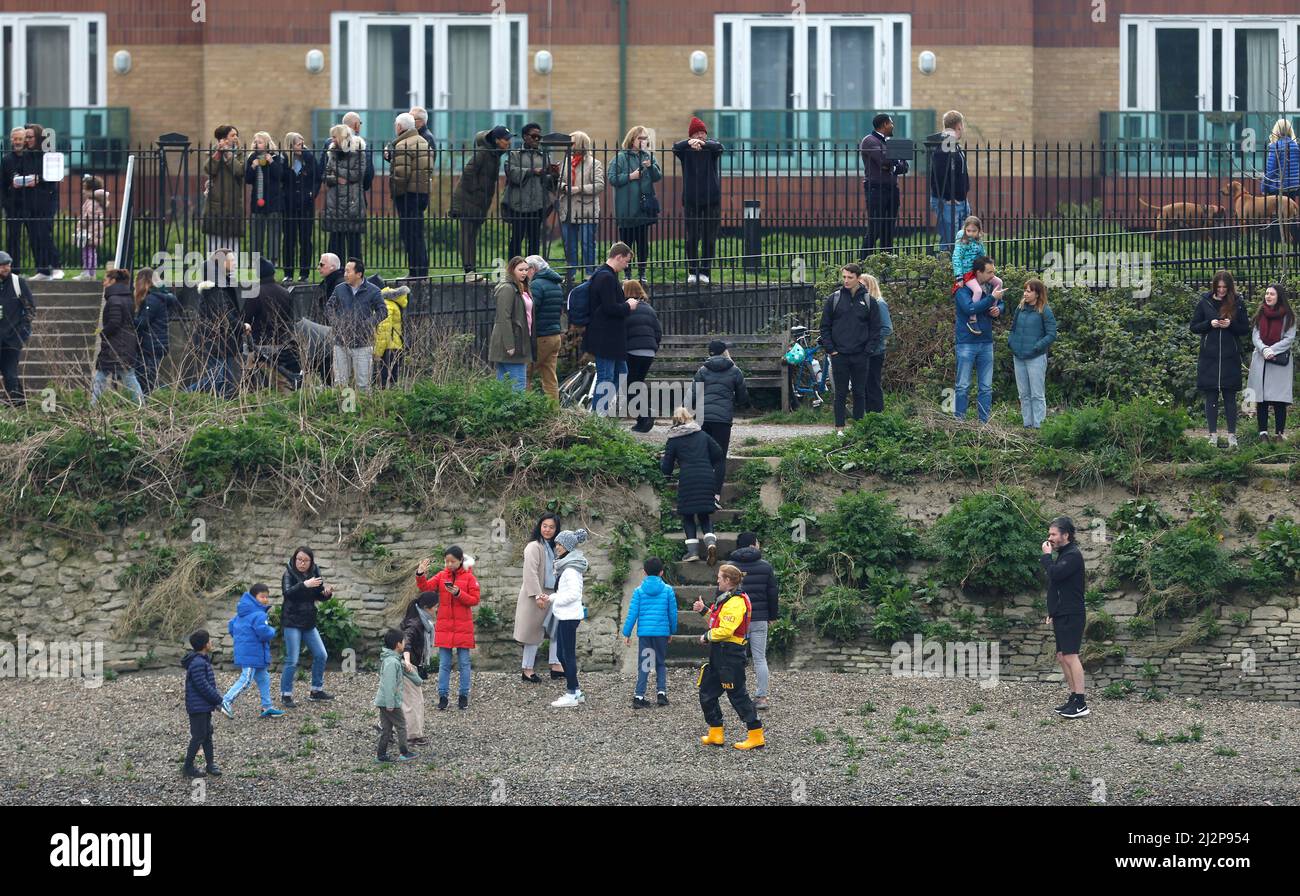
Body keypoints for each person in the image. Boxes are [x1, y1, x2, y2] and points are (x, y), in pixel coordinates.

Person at [697, 564, 765, 750]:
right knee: (707, 692)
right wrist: (703, 610)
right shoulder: (726, 600)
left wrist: (706, 636)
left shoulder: (737, 602)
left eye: (720, 577)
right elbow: (716, 622)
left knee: (737, 695)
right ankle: (716, 732)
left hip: (730, 655)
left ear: (728, 581)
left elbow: (726, 630)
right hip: (718, 655)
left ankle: (756, 734)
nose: (717, 580)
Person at [819, 263, 882, 435]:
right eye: (844, 277)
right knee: (840, 392)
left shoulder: (870, 301)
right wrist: (831, 350)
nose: (846, 280)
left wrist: (867, 351)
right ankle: (839, 428)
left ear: (858, 278)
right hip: (839, 354)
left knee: (859, 392)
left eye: (850, 277)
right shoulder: (834, 299)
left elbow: (876, 329)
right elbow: (824, 327)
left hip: (861, 354)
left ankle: (859, 427)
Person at [416, 546, 481, 711]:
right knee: (444, 663)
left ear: (460, 560)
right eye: (447, 561)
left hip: (463, 626)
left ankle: (463, 695)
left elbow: (475, 600)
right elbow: (425, 588)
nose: (449, 564)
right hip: (445, 626)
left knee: (464, 663)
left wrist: (459, 593)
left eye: (452, 561)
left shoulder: (469, 577)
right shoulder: (441, 575)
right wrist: (420, 574)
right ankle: (443, 696)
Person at [1191, 270, 1250, 448]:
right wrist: (1209, 324)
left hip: (1230, 356)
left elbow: (1245, 329)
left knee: (1230, 396)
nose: (1222, 290)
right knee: (1211, 397)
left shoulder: (1237, 303)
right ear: (1214, 286)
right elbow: (1193, 327)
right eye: (1219, 287)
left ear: (1230, 287)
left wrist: (1230, 325)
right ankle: (1213, 436)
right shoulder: (1204, 302)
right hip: (1209, 357)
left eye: (1225, 287)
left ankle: (1232, 435)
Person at [661, 406, 723, 564]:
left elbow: (666, 468)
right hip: (706, 476)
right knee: (704, 514)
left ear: (674, 421)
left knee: (688, 515)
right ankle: (710, 544)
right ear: (690, 418)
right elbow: (718, 453)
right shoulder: (702, 435)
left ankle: (693, 552)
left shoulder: (673, 439)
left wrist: (664, 460)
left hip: (688, 479)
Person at [450, 125, 511, 282]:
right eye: (506, 139)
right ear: (497, 140)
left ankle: (471, 270)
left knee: (471, 236)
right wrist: (477, 192)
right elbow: (468, 172)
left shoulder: (494, 155)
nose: (509, 142)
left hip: (477, 202)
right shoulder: (484, 153)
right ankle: (469, 271)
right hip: (468, 201)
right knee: (467, 235)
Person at [584, 242, 638, 415]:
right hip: (606, 337)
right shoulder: (606, 277)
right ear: (618, 257)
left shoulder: (604, 275)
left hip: (610, 337)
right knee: (606, 377)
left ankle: (600, 411)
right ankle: (598, 415)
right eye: (627, 261)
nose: (627, 265)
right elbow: (609, 308)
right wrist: (628, 305)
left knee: (620, 373)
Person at [1041, 517, 1087, 719]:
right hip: (1061, 612)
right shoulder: (1063, 554)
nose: (1050, 538)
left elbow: (1055, 575)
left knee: (1070, 655)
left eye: (1053, 534)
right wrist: (1052, 610)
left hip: (1072, 613)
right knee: (1061, 656)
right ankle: (1073, 697)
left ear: (1065, 535)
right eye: (1049, 534)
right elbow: (1057, 586)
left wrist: (1046, 557)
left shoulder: (1073, 555)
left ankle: (1081, 702)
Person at [279, 545, 335, 707]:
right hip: (292, 621)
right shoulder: (288, 573)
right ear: (294, 559)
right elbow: (287, 593)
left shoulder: (315, 572)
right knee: (292, 659)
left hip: (308, 621)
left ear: (311, 562)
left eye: (306, 560)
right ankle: (286, 694)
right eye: (299, 559)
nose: (302, 563)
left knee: (321, 654)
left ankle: (316, 690)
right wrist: (304, 584)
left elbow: (318, 596)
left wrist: (326, 594)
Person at [727, 533, 778, 711]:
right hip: (759, 618)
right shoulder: (765, 567)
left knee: (735, 658)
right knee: (759, 658)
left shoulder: (730, 567)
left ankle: (738, 695)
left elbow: (721, 593)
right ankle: (761, 697)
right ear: (753, 545)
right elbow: (772, 593)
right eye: (758, 542)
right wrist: (772, 615)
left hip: (736, 621)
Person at [952, 255, 1005, 423]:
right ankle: (959, 422)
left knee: (986, 387)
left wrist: (999, 310)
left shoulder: (991, 287)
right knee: (962, 386)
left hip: (986, 341)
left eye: (993, 272)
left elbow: (1001, 302)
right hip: (966, 342)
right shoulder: (962, 290)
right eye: (989, 272)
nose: (992, 275)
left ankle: (984, 422)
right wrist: (991, 299)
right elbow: (969, 308)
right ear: (978, 272)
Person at [694, 339, 747, 505]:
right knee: (719, 458)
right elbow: (743, 396)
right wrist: (740, 405)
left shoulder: (702, 370)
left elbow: (694, 394)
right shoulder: (734, 370)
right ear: (725, 352)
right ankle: (715, 496)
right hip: (723, 420)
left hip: (703, 418)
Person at [220, 583, 284, 719]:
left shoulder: (241, 613)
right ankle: (226, 700)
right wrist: (273, 630)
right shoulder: (259, 615)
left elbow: (232, 627)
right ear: (254, 598)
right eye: (262, 597)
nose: (265, 600)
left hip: (250, 652)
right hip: (252, 653)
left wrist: (242, 640)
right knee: (246, 679)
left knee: (264, 678)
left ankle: (267, 706)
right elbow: (264, 633)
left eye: (267, 597)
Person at [672, 117, 723, 284]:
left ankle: (705, 272)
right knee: (692, 237)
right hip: (692, 200)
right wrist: (690, 143)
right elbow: (675, 147)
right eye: (697, 133)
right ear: (691, 135)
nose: (701, 136)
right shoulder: (685, 151)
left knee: (709, 238)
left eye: (703, 133)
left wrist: (703, 144)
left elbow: (719, 147)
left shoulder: (711, 149)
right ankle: (692, 271)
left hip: (711, 199)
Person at [608, 125, 663, 281]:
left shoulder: (648, 157)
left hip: (643, 208)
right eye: (641, 138)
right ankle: (626, 273)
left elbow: (657, 177)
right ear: (632, 139)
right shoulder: (621, 158)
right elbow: (612, 178)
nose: (644, 141)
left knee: (643, 243)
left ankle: (642, 273)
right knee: (626, 244)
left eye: (646, 139)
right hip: (626, 209)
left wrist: (650, 166)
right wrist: (630, 176)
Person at [514, 512, 564, 683]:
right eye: (545, 526)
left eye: (551, 527)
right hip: (535, 595)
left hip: (553, 594)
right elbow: (530, 572)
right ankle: (527, 669)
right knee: (532, 633)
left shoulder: (556, 548)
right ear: (539, 526)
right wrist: (537, 595)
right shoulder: (534, 546)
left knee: (556, 629)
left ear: (556, 529)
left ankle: (556, 665)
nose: (547, 530)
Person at [543, 528, 589, 707]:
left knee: (566, 655)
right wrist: (552, 598)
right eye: (557, 544)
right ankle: (576, 691)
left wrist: (553, 598)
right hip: (565, 615)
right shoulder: (566, 566)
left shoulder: (570, 570)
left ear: (568, 546)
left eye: (560, 544)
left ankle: (571, 694)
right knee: (562, 654)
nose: (557, 547)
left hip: (569, 616)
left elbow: (574, 595)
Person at [622, 556, 677, 708]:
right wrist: (672, 630)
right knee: (660, 662)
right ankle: (661, 694)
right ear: (661, 573)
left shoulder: (639, 591)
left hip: (645, 634)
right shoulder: (668, 590)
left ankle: (639, 696)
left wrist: (626, 633)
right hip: (662, 633)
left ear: (644, 573)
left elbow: (632, 613)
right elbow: (672, 613)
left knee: (645, 664)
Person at [324, 257, 386, 393]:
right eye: (345, 271)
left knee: (363, 384)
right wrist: (336, 323)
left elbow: (383, 311)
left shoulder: (373, 291)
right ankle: (345, 412)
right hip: (341, 342)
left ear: (359, 274)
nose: (345, 274)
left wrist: (367, 324)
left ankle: (362, 412)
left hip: (363, 344)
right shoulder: (340, 289)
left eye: (348, 271)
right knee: (340, 383)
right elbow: (329, 307)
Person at [244, 256, 302, 390]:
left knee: (250, 376)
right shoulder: (284, 292)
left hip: (260, 344)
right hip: (282, 344)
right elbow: (290, 318)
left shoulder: (255, 292)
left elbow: (246, 318)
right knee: (281, 381)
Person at [191, 250, 243, 398]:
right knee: (217, 378)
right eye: (231, 260)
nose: (234, 263)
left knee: (225, 380)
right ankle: (184, 394)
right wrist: (241, 326)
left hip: (220, 341)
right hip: (213, 341)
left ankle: (222, 409)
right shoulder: (215, 288)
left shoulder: (221, 284)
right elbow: (224, 314)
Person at [1007, 278, 1057, 429]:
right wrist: (1012, 342)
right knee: (1023, 394)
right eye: (1025, 290)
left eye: (1029, 291)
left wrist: (1037, 346)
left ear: (1037, 294)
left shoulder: (1045, 310)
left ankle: (1039, 426)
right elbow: (1013, 328)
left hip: (1036, 357)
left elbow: (1051, 334)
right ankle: (1027, 424)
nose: (1025, 294)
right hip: (1019, 356)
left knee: (1037, 394)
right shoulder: (1020, 308)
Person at [1248, 283, 1295, 440]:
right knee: (1262, 399)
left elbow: (1289, 338)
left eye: (1272, 294)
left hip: (1278, 361)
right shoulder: (1260, 314)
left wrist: (1272, 350)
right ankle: (1263, 433)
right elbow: (1255, 336)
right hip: (1261, 360)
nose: (1268, 296)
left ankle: (1279, 433)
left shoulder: (1289, 316)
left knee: (1278, 399)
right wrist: (1264, 349)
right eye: (1267, 293)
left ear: (1279, 297)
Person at [90, 268, 144, 407]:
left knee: (107, 377)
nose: (104, 282)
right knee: (122, 376)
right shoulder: (127, 297)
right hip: (124, 345)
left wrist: (102, 332)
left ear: (113, 281)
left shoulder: (114, 300)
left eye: (106, 279)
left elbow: (114, 322)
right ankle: (140, 405)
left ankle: (93, 406)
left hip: (116, 346)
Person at [859, 113, 910, 254]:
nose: (893, 126)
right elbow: (884, 161)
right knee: (875, 227)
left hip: (892, 189)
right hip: (876, 189)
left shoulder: (888, 143)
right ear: (885, 125)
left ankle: (885, 263)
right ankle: (863, 262)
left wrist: (894, 164)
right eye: (891, 123)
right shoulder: (870, 141)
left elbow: (904, 166)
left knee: (888, 228)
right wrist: (895, 162)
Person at [390, 112, 433, 278]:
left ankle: (415, 272)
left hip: (407, 196)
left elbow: (402, 175)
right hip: (422, 194)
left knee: (408, 234)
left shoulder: (403, 145)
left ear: (400, 127)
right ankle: (422, 271)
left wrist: (396, 193)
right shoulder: (423, 142)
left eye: (396, 125)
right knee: (418, 235)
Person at [557, 130, 604, 278]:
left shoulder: (594, 163)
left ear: (580, 144)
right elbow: (557, 182)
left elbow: (599, 185)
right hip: (568, 208)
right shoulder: (565, 162)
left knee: (587, 244)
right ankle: (571, 273)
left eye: (571, 142)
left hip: (586, 209)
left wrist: (578, 189)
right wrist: (564, 187)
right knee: (569, 245)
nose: (568, 145)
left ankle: (590, 273)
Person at [504, 123, 555, 260]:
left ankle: (532, 269)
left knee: (534, 240)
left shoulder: (543, 156)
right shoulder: (515, 155)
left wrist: (552, 174)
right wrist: (532, 171)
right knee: (516, 238)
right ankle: (513, 267)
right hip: (519, 204)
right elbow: (511, 172)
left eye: (539, 136)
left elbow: (548, 183)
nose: (537, 139)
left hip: (537, 204)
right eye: (534, 136)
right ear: (525, 137)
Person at [16, 124, 60, 280]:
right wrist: (18, 179)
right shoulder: (26, 156)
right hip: (29, 200)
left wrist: (38, 179)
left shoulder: (48, 155)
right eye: (25, 137)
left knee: (43, 233)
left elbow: (53, 177)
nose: (27, 140)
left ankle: (55, 266)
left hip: (46, 200)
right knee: (33, 235)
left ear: (39, 137)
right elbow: (18, 172)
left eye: (30, 137)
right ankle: (42, 269)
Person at [321, 123, 368, 265]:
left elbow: (358, 174)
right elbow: (325, 175)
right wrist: (337, 179)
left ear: (341, 137)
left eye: (334, 137)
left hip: (352, 199)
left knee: (354, 241)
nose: (332, 140)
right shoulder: (332, 152)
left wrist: (337, 170)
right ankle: (335, 271)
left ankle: (356, 271)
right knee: (335, 241)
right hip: (334, 199)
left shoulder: (358, 151)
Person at [181, 629, 223, 778]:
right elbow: (203, 686)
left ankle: (210, 764)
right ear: (205, 645)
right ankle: (187, 767)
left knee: (207, 734)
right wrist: (219, 699)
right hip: (197, 707)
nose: (211, 642)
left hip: (203, 706)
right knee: (198, 736)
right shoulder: (198, 663)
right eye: (209, 640)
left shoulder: (202, 660)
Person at [375, 628, 422, 763]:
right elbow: (389, 685)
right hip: (390, 702)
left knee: (387, 729)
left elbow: (412, 676)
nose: (405, 643)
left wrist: (417, 679)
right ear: (398, 645)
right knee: (401, 725)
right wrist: (390, 703)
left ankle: (381, 755)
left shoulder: (394, 660)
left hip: (384, 702)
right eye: (403, 641)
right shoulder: (392, 662)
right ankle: (404, 752)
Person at [927, 110, 970, 255]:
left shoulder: (952, 144)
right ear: (959, 126)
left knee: (958, 241)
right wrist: (948, 197)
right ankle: (946, 272)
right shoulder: (945, 145)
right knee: (949, 243)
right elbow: (939, 175)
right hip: (949, 202)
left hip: (959, 200)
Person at [488, 256, 533, 392]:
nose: (524, 273)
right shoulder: (507, 288)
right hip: (512, 342)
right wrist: (509, 344)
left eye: (526, 269)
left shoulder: (522, 287)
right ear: (512, 270)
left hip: (520, 340)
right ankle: (517, 412)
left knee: (503, 385)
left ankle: (503, 412)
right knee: (518, 383)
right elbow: (504, 317)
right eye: (520, 270)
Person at [399, 591, 439, 747]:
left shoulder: (422, 621)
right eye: (435, 607)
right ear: (426, 607)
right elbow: (406, 640)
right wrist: (407, 660)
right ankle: (412, 736)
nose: (437, 610)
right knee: (414, 700)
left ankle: (385, 726)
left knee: (404, 699)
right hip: (408, 666)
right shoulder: (416, 623)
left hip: (411, 664)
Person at [132, 268, 179, 395]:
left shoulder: (152, 299)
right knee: (148, 377)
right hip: (156, 344)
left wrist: (128, 319)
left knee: (145, 379)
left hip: (151, 345)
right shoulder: (160, 297)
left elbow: (143, 322)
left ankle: (146, 403)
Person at [280, 132, 319, 283]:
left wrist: (311, 195)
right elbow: (280, 178)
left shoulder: (308, 158)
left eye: (302, 144)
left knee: (305, 239)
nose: (301, 147)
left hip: (306, 205)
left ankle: (304, 273)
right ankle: (288, 273)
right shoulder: (283, 160)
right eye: (298, 144)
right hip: (289, 205)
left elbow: (317, 178)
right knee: (288, 239)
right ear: (290, 145)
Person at [624, 279, 662, 431]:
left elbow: (622, 330)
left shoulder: (627, 308)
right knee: (637, 384)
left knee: (630, 387)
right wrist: (652, 347)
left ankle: (645, 416)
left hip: (632, 351)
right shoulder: (649, 309)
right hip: (648, 352)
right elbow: (658, 332)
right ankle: (642, 420)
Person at [526, 255, 565, 401]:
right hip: (555, 335)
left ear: (533, 269)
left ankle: (526, 409)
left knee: (525, 373)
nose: (524, 273)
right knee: (549, 377)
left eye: (526, 269)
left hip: (541, 336)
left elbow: (532, 310)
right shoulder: (555, 283)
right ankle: (553, 412)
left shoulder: (537, 284)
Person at [202, 125, 245, 256]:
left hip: (233, 204)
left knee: (233, 245)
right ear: (223, 139)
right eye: (232, 135)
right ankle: (213, 273)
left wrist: (229, 154)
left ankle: (231, 273)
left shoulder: (240, 154)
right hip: (215, 204)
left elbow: (239, 171)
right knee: (213, 244)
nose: (236, 137)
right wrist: (219, 153)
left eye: (236, 134)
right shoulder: (213, 152)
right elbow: (209, 169)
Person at [245, 131, 285, 269]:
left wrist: (271, 162)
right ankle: (256, 260)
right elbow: (247, 179)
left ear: (267, 144)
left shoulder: (277, 157)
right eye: (255, 141)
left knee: (274, 233)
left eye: (260, 142)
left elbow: (280, 175)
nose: (256, 144)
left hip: (274, 201)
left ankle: (273, 260)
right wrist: (253, 166)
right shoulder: (251, 158)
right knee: (256, 234)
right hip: (257, 201)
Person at [0, 249, 35, 405]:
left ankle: (18, 406)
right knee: (9, 373)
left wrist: (22, 332)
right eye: (1, 265)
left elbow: (30, 309)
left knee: (10, 373)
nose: (6, 268)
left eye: (7, 264)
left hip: (12, 338)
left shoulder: (17, 282)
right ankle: (18, 403)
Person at [863, 273, 892, 414]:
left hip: (875, 351)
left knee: (873, 384)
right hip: (863, 350)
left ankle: (877, 415)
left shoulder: (879, 303)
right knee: (864, 385)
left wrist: (871, 340)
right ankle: (867, 415)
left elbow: (887, 328)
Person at [373, 283, 410, 389]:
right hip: (396, 346)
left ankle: (384, 401)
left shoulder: (386, 304)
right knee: (393, 380)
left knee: (383, 382)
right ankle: (395, 400)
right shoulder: (394, 302)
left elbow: (384, 331)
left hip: (387, 347)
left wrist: (377, 353)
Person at [0, 129, 27, 272]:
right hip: (13, 205)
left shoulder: (31, 157)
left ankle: (43, 270)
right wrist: (5, 204)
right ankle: (14, 269)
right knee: (13, 239)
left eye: (20, 139)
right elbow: (2, 184)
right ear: (11, 140)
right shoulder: (6, 159)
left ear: (25, 140)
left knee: (37, 237)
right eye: (15, 139)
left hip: (30, 204)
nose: (17, 142)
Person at [75, 175, 110, 280]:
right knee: (91, 252)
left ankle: (87, 272)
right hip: (94, 231)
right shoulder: (97, 201)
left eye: (85, 188)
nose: (83, 191)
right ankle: (91, 273)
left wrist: (80, 224)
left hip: (89, 232)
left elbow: (89, 216)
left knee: (87, 252)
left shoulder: (91, 202)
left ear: (91, 190)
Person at [1262, 118, 1300, 207]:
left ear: (1277, 130)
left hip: (1278, 186)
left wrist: (1264, 187)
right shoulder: (1295, 146)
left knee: (1277, 214)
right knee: (1289, 214)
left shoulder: (1275, 146)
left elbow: (1270, 170)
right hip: (1292, 187)